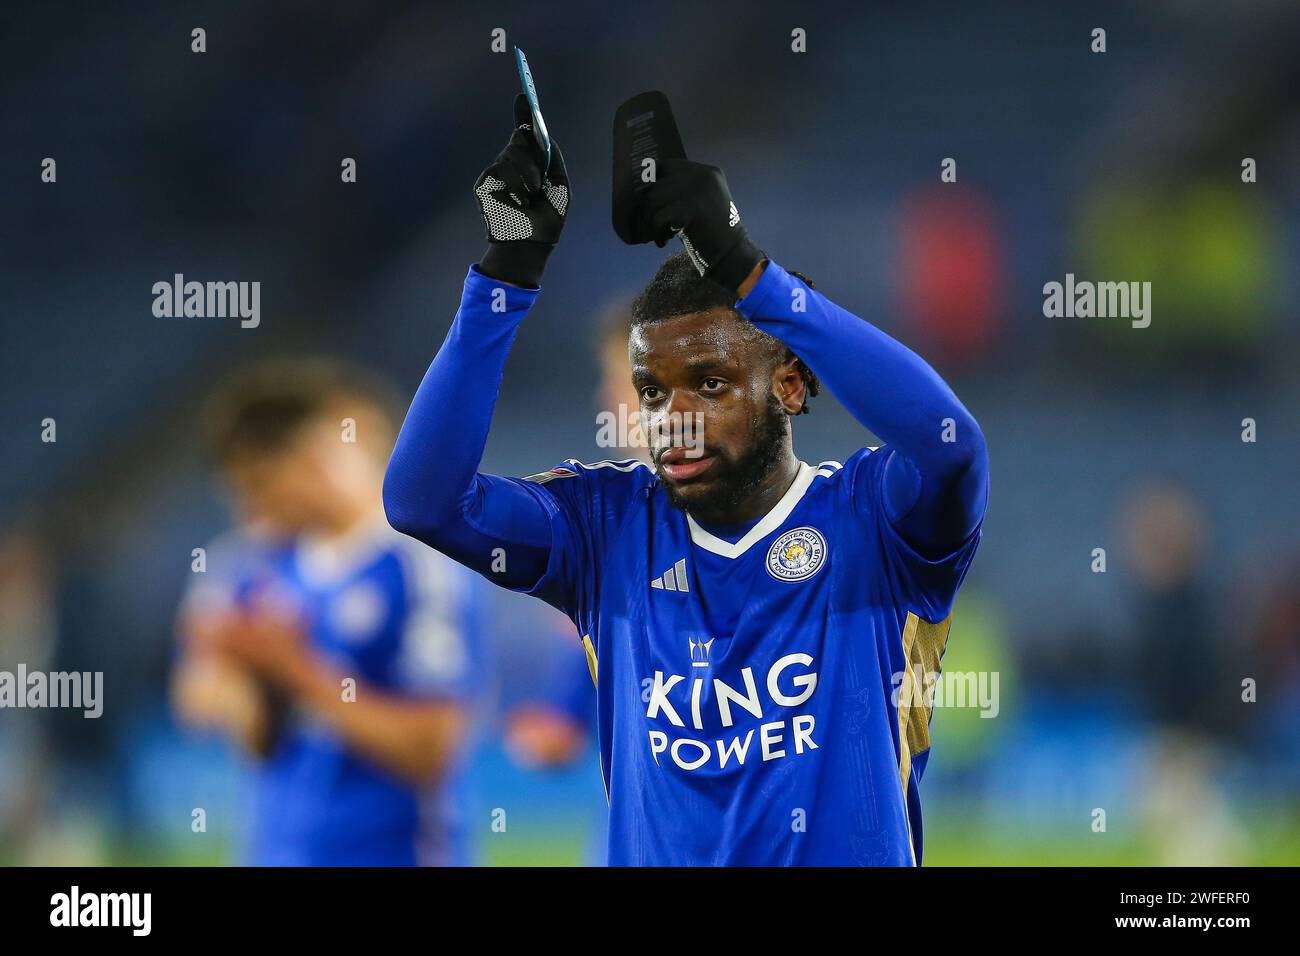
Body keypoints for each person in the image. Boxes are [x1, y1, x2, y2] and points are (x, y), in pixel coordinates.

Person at [384, 94, 989, 865]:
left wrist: (747, 272)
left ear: (792, 386)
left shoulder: (874, 520)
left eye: (709, 384)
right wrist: (504, 276)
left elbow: (950, 444)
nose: (669, 417)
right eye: (651, 391)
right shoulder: (604, 529)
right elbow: (422, 501)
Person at [173, 359, 484, 866]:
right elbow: (200, 697)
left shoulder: (422, 566)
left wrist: (294, 671)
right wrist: (245, 689)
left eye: (260, 486)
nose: (251, 509)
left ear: (310, 461)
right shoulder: (247, 565)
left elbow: (433, 751)